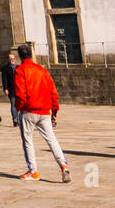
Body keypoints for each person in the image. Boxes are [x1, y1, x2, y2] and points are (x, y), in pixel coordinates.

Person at [12, 44, 71, 183]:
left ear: (20, 56)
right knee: (51, 139)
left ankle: (33, 172)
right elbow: (53, 91)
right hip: (45, 110)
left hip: (29, 110)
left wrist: (19, 108)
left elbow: (20, 93)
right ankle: (64, 165)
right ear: (31, 54)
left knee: (28, 141)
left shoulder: (20, 70)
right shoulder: (42, 70)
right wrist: (55, 110)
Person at [2, 51, 19, 126]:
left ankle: (20, 119)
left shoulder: (18, 67)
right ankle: (15, 119)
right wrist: (5, 88)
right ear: (8, 60)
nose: (12, 60)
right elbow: (4, 79)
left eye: (13, 58)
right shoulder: (5, 68)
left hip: (19, 89)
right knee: (13, 104)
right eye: (11, 58)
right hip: (11, 89)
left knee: (20, 105)